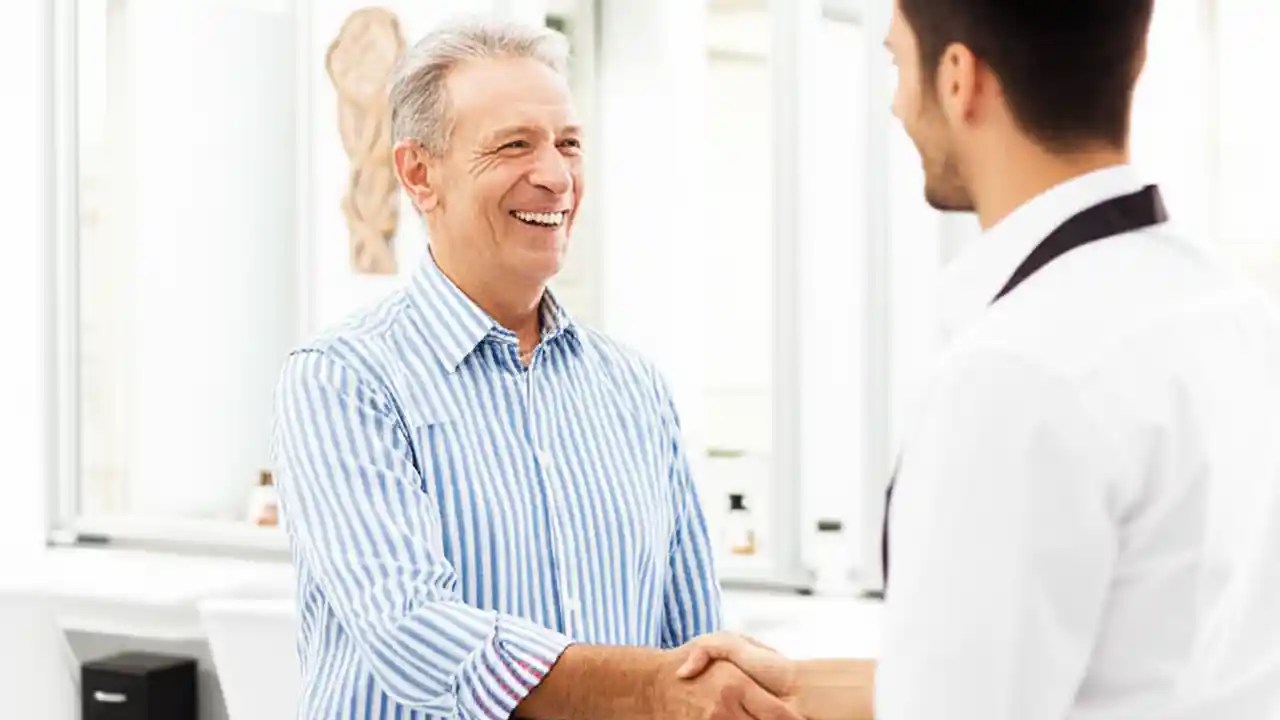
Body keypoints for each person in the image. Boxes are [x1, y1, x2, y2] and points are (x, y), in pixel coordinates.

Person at [678, 1, 1280, 719]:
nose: (898, 104)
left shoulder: (1014, 373)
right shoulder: (1240, 316)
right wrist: (793, 683)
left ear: (959, 78)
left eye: (898, 64)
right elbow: (1132, 657)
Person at [272, 18, 801, 720]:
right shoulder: (343, 382)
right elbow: (414, 631)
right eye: (514, 145)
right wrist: (652, 688)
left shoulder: (634, 389)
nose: (555, 176)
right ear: (420, 174)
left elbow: (691, 640)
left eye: (569, 145)